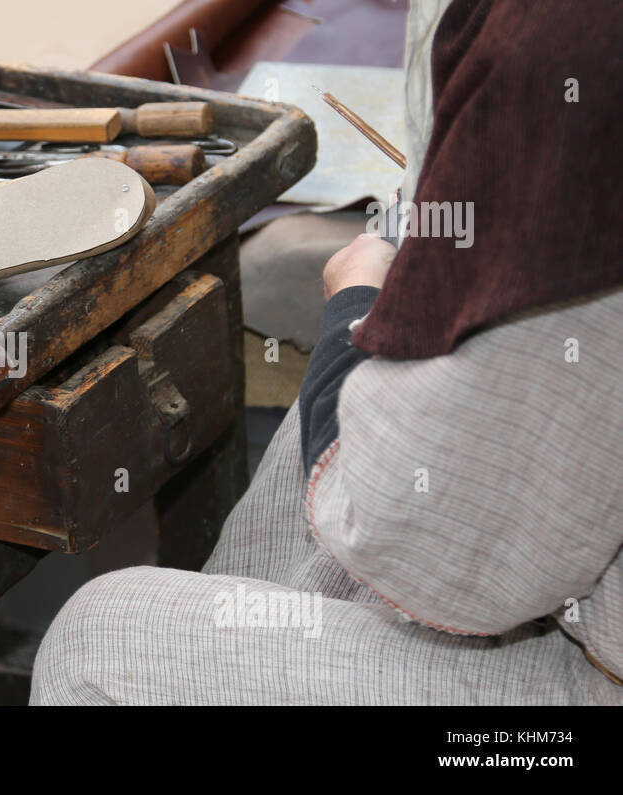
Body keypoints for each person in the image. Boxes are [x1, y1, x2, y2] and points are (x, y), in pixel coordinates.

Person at [31, 0, 623, 705]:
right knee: (299, 485)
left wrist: (356, 306)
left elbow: (431, 549)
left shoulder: (575, 56)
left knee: (96, 644)